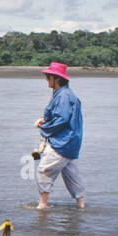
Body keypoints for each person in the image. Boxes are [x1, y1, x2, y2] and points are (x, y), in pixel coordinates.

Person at [33, 61, 86, 209]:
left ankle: (43, 205)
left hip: (63, 142)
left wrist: (44, 126)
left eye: (48, 76)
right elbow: (61, 116)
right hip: (72, 143)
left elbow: (61, 119)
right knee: (71, 175)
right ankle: (81, 205)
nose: (46, 79)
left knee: (43, 170)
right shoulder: (64, 94)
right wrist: (46, 120)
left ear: (56, 78)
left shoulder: (63, 96)